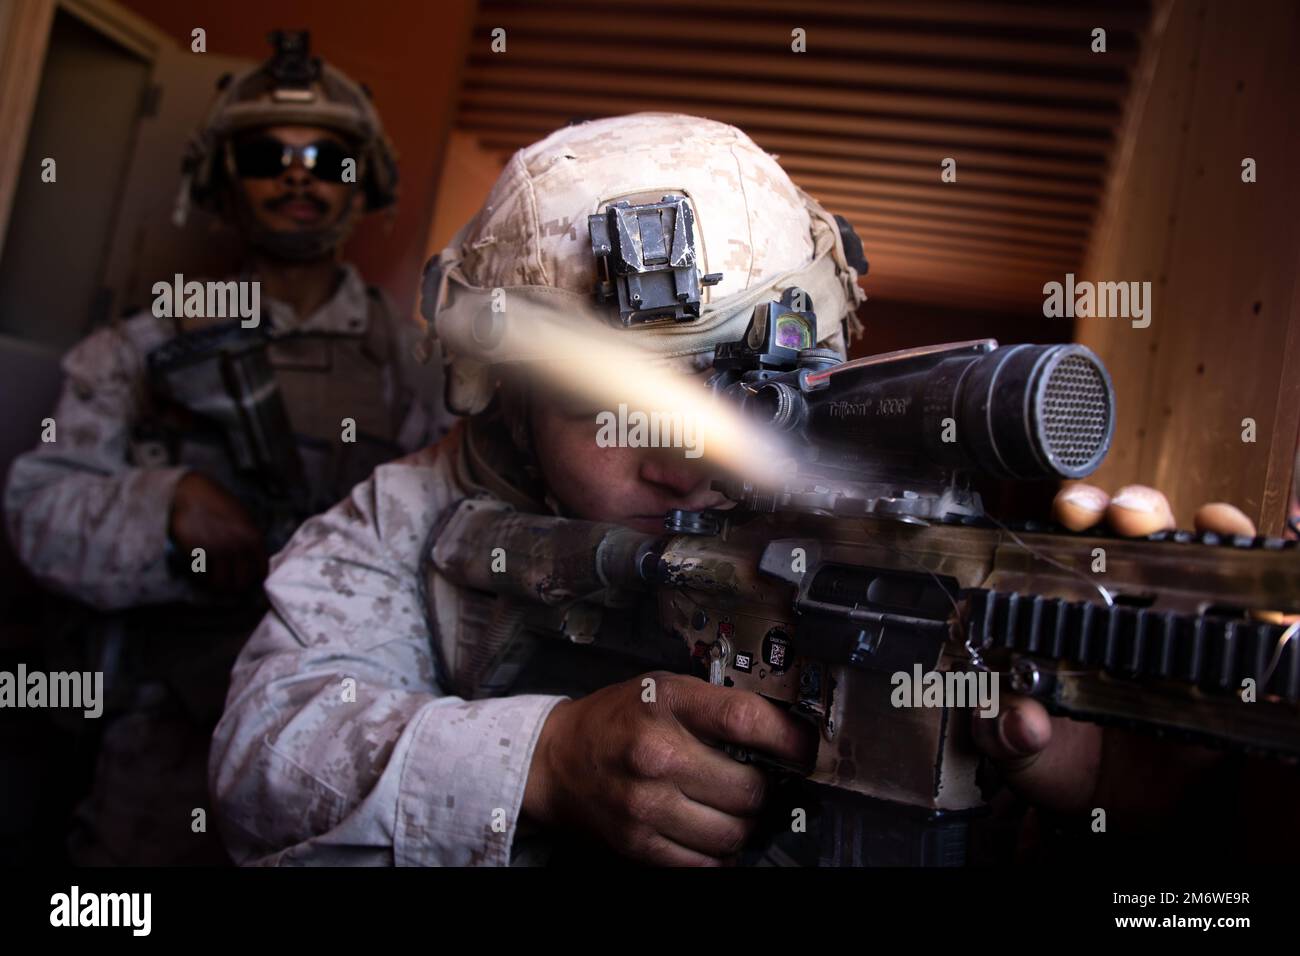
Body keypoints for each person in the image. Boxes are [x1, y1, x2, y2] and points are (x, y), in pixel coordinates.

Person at [209, 112, 1265, 866]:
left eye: (736, 396)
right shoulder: (411, 512)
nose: (684, 461)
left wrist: (1113, 803)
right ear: (507, 398)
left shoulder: (893, 510)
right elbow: (264, 760)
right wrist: (541, 759)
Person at [4, 31, 450, 865]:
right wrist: (162, 508)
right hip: (166, 730)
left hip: (353, 736)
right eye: (263, 155)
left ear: (366, 185)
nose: (298, 174)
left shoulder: (417, 371)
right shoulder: (140, 348)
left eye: (328, 157)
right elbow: (38, 511)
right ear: (221, 182)